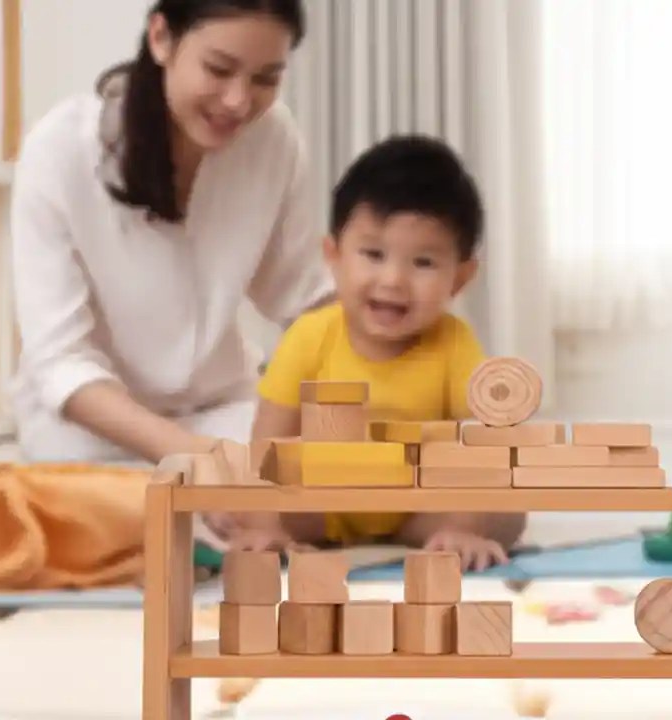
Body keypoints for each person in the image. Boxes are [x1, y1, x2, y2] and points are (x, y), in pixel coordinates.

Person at [8, 0, 332, 465]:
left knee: (310, 487)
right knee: (126, 521)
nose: (239, 100)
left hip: (220, 412)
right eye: (218, 69)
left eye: (266, 79)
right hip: (92, 429)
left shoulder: (273, 139)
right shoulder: (60, 150)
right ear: (161, 38)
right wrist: (193, 457)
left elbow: (303, 297)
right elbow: (61, 362)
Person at [225, 135, 527, 570]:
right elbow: (268, 441)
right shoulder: (311, 335)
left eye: (423, 263)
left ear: (460, 278)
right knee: (248, 496)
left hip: (417, 508)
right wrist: (264, 524)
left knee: (508, 510)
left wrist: (463, 524)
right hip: (322, 504)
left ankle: (437, 537)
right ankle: (275, 533)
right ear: (334, 256)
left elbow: (484, 444)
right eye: (373, 254)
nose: (393, 280)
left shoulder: (455, 343)